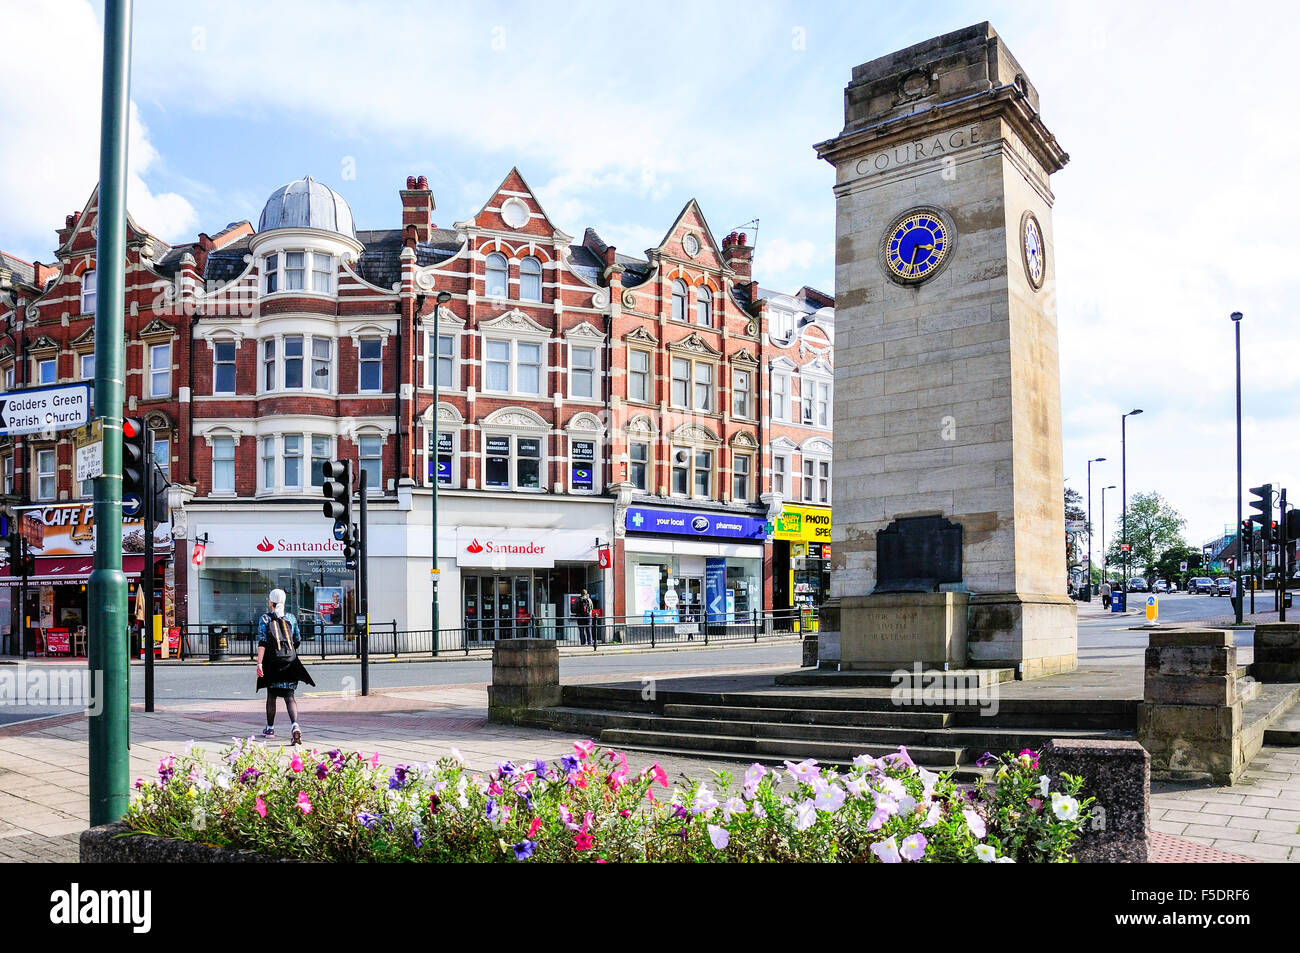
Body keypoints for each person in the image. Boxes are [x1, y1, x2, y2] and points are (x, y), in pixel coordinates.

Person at [256, 588, 315, 744]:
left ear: (271, 602)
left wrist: (259, 663)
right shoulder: (291, 618)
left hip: (272, 663)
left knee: (272, 695)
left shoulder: (264, 619)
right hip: (289, 662)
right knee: (290, 697)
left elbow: (262, 642)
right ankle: (295, 726)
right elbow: (297, 639)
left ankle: (269, 729)